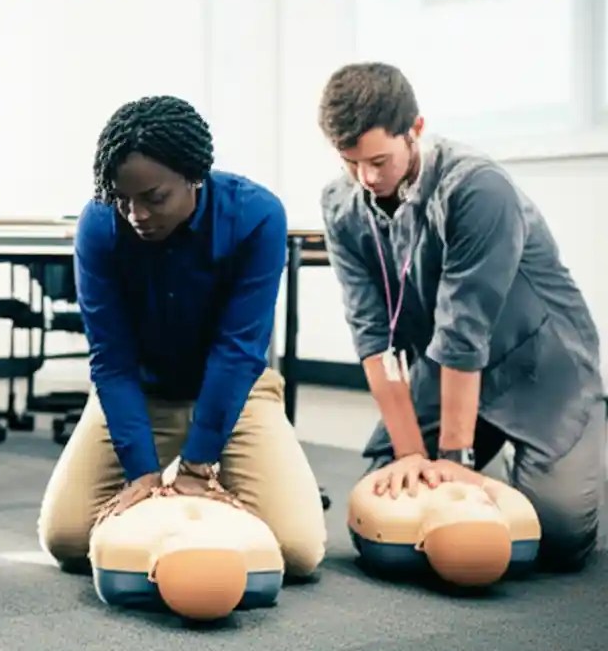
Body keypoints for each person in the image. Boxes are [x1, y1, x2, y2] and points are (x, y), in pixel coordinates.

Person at [317, 62, 604, 572]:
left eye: (380, 160)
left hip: (540, 366)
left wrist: (452, 464)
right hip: (445, 372)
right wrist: (410, 454)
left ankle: (562, 449)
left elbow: (462, 331)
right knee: (391, 501)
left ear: (417, 130)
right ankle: (463, 450)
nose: (367, 177)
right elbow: (372, 337)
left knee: (555, 537)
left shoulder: (477, 187)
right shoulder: (342, 205)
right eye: (351, 162)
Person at [37, 95, 328, 579]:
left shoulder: (256, 217)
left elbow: (238, 352)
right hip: (141, 391)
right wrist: (142, 473)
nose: (136, 214)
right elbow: (111, 359)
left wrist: (198, 464)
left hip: (239, 392)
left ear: (195, 176)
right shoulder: (98, 224)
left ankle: (207, 478)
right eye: (122, 198)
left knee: (297, 551)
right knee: (66, 538)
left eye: (154, 198)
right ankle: (181, 476)